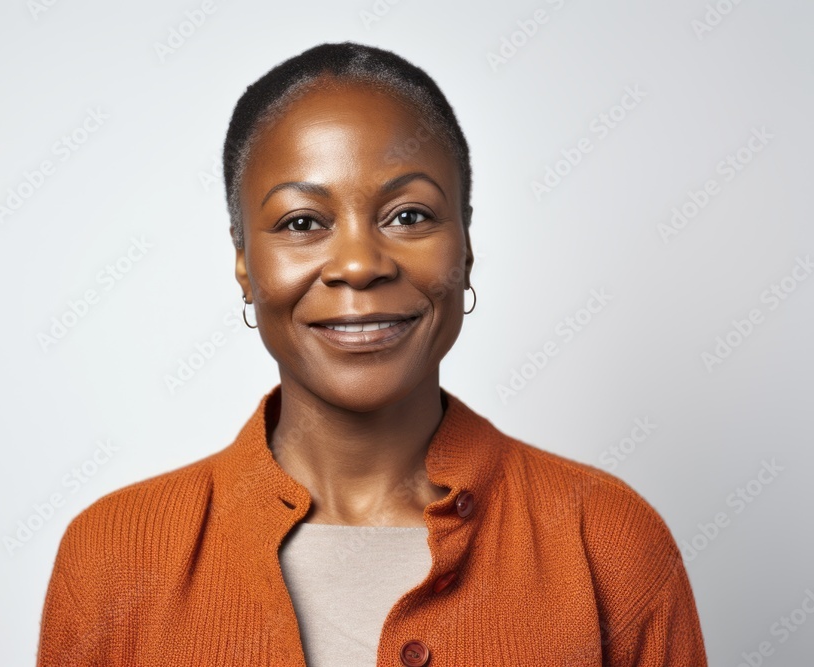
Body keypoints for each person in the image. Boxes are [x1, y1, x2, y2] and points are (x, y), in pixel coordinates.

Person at [36, 41, 708, 666]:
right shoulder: (109, 559)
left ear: (465, 248)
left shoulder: (610, 543)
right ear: (244, 263)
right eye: (303, 222)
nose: (359, 263)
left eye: (409, 215)